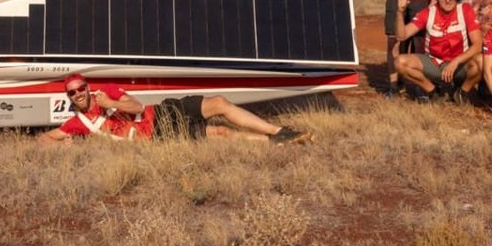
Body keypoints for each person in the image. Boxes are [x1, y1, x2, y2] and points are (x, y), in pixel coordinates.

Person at [37, 75, 308, 145]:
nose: (78, 94)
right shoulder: (79, 122)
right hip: (159, 137)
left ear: (86, 86)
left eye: (80, 88)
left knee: (219, 103)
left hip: (162, 113)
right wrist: (60, 145)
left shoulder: (105, 91)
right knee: (221, 134)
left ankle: (280, 131)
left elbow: (137, 106)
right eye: (72, 92)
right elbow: (44, 138)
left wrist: (112, 105)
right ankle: (272, 143)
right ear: (69, 97)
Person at [392, 0, 484, 104]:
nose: (447, 0)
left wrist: (456, 62)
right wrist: (399, 12)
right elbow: (402, 36)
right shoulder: (428, 13)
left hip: (459, 65)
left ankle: (462, 93)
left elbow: (478, 45)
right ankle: (433, 92)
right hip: (435, 63)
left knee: (482, 61)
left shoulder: (465, 10)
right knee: (400, 62)